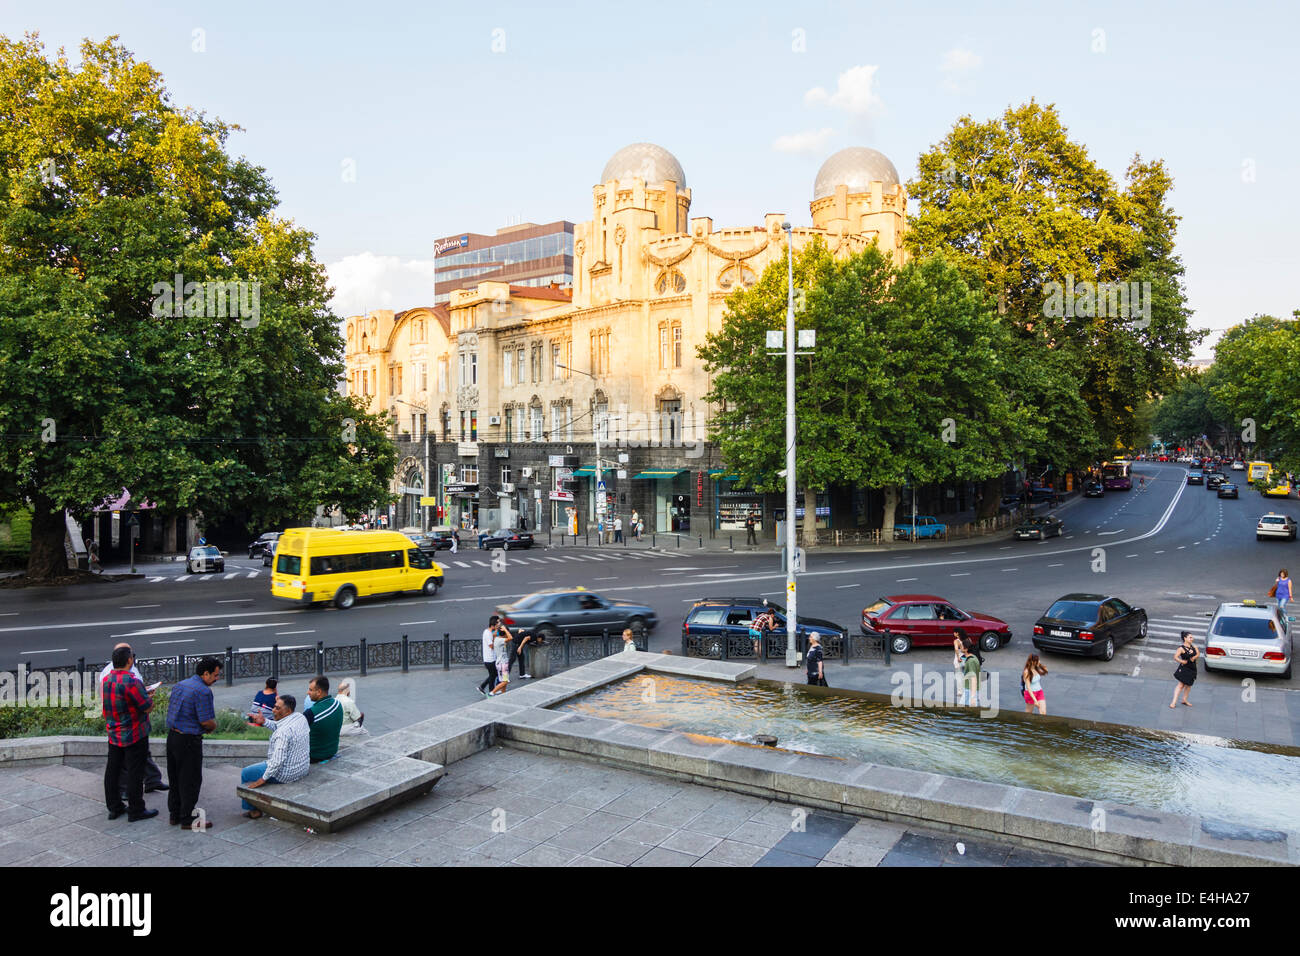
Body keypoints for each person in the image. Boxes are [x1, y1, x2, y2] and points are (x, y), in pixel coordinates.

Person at [99, 645, 168, 796]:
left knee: (113, 770)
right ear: (129, 659)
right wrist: (147, 697)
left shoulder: (106, 678)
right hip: (132, 731)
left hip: (114, 730)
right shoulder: (130, 680)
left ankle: (115, 805)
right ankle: (135, 808)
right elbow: (147, 707)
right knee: (134, 771)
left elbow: (115, 699)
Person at [165, 656, 221, 828]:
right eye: (215, 675)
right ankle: (188, 819)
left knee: (174, 777)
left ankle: (175, 814)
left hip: (172, 737)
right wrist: (213, 726)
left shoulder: (180, 685)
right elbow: (206, 721)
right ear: (206, 674)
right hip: (189, 741)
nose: (217, 679)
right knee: (190, 779)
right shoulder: (203, 691)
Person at [241, 694, 310, 819]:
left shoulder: (282, 733)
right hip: (302, 768)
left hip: (285, 774)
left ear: (287, 711)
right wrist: (264, 722)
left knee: (246, 773)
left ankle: (253, 811)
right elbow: (279, 725)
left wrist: (263, 779)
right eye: (274, 706)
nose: (273, 710)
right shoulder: (300, 717)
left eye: (277, 708)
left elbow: (277, 761)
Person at [251, 676, 342, 764]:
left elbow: (285, 729)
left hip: (314, 756)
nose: (307, 692)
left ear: (319, 692)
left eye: (310, 690)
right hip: (332, 751)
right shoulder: (337, 704)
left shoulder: (312, 713)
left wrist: (264, 721)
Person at [1171, 631, 1199, 708]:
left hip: (1192, 668)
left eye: (1192, 637)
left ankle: (1184, 700)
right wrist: (1182, 661)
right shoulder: (1181, 648)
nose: (1192, 639)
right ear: (1185, 638)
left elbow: (1198, 653)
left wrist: (1194, 657)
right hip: (1184, 668)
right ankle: (1173, 702)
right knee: (1181, 685)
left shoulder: (1194, 647)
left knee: (1189, 685)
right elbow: (1175, 657)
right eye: (1190, 637)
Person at [491, 619, 514, 695]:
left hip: (501, 663)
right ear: (504, 634)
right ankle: (491, 693)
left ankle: (503, 694)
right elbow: (510, 638)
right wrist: (505, 629)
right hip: (502, 664)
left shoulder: (497, 638)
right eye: (506, 633)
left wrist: (498, 628)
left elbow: (494, 634)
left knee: (503, 681)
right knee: (505, 681)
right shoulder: (500, 640)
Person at [478, 616, 500, 696]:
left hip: (492, 658)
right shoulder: (487, 633)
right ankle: (491, 691)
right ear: (494, 624)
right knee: (493, 675)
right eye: (498, 622)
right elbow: (491, 646)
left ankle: (485, 688)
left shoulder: (490, 632)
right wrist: (494, 637)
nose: (499, 624)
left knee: (493, 675)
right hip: (489, 659)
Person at [961, 636, 982, 707]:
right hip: (969, 689)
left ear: (966, 649)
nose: (960, 647)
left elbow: (973, 678)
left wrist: (973, 696)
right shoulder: (973, 656)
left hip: (969, 690)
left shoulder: (971, 661)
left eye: (961, 646)